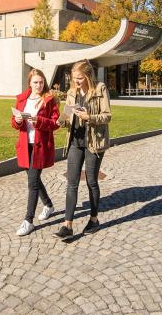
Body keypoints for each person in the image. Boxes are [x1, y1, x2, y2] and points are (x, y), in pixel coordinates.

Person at [54, 60, 111, 238]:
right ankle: (67, 225)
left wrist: (89, 117)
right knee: (72, 183)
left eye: (79, 78)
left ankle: (94, 220)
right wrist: (61, 120)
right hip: (75, 142)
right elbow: (66, 113)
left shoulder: (100, 88)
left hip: (94, 142)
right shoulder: (72, 92)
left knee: (91, 182)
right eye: (74, 78)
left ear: (87, 76)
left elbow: (107, 116)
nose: (76, 81)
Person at [11, 68, 60, 236]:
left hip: (41, 146)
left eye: (41, 82)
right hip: (25, 145)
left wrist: (39, 120)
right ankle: (48, 205)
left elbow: (56, 123)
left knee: (32, 182)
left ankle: (28, 221)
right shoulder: (22, 99)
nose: (39, 85)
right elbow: (14, 123)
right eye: (35, 82)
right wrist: (17, 120)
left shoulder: (49, 99)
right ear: (30, 83)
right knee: (35, 179)